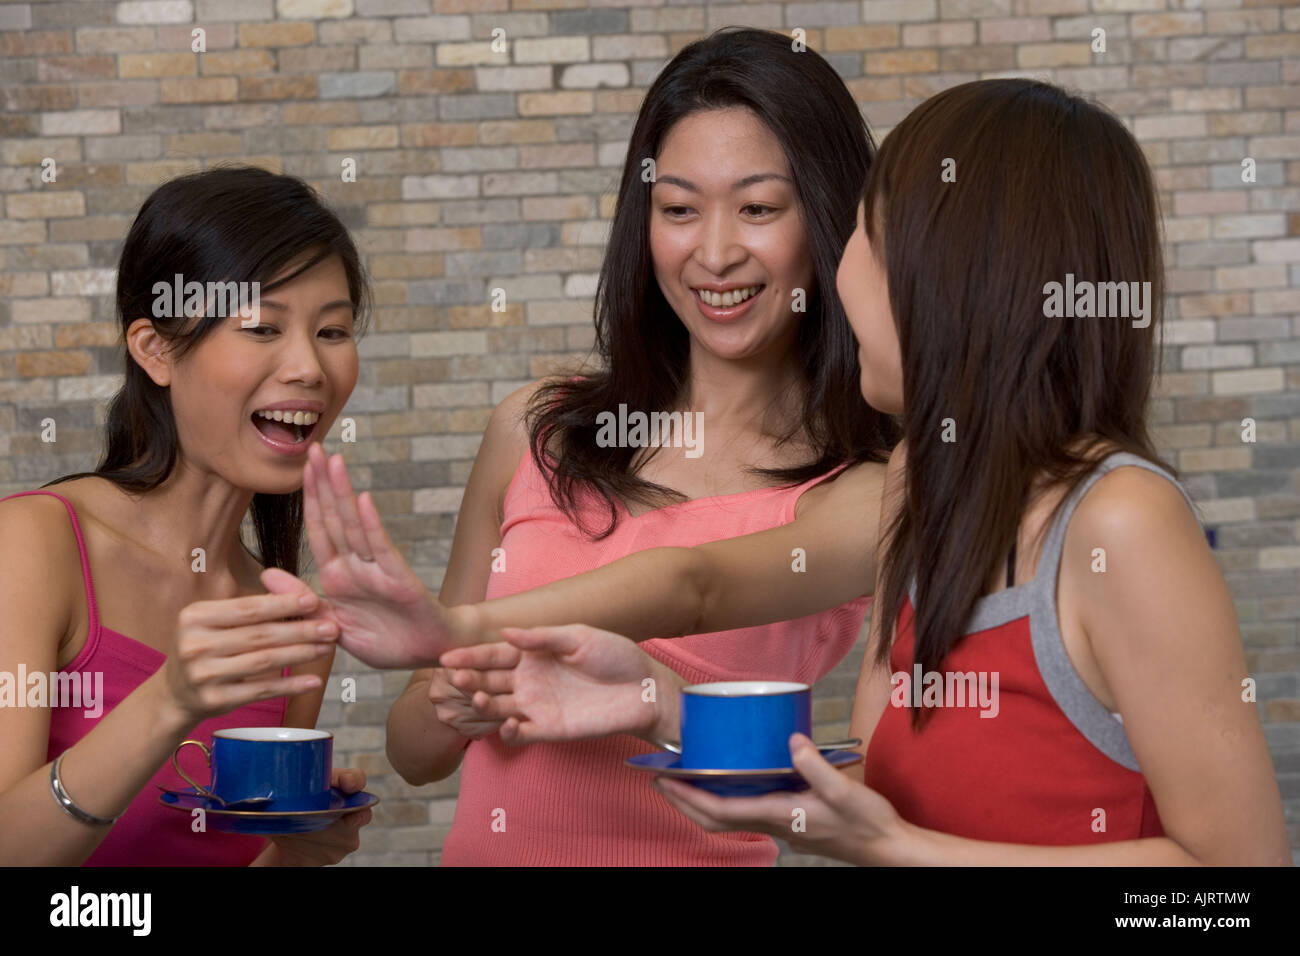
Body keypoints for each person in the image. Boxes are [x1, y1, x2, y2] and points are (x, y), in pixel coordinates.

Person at [444, 79, 1292, 865]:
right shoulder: (922, 492)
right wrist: (665, 705)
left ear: (955, 281)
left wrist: (903, 850)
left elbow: (1229, 897)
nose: (839, 278)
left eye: (867, 239)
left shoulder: (1122, 521)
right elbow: (873, 806)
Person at [282, 28, 898, 865]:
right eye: (678, 209)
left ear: (826, 219)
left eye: (758, 208)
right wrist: (450, 696)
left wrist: (451, 628)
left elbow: (694, 583)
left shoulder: (864, 489)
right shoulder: (534, 427)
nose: (714, 253)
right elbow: (415, 755)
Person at [0, 166, 373, 865]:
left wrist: (296, 854)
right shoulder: (33, 544)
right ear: (156, 349)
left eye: (332, 331)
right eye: (263, 326)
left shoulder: (290, 621)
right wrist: (170, 699)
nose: (310, 369)